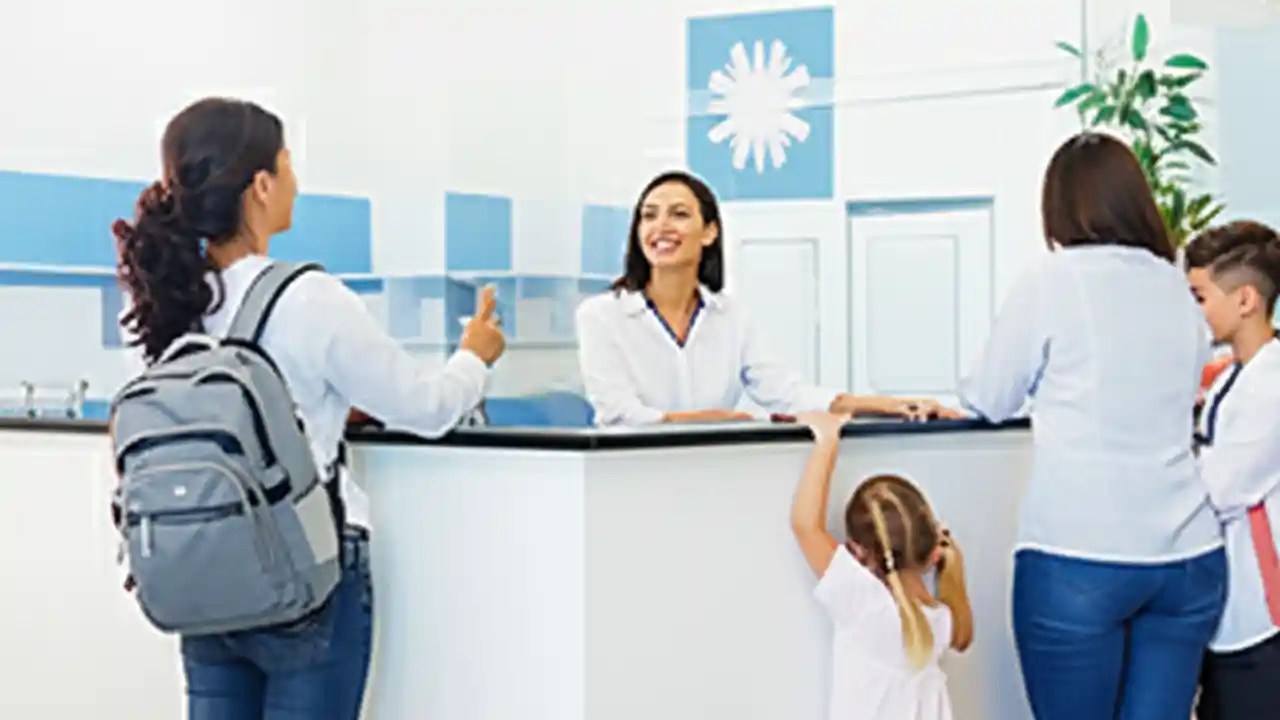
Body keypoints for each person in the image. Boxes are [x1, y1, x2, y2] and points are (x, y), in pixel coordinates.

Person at [111, 97, 505, 719]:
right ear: (262, 186)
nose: (296, 182)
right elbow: (426, 408)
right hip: (305, 575)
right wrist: (474, 358)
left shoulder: (160, 306)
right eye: (289, 166)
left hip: (202, 571)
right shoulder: (308, 297)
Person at [957, 131, 1225, 719]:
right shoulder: (1180, 290)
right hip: (1187, 557)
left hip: (1080, 554)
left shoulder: (1053, 280)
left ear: (1059, 207)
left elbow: (990, 396)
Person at [576, 170, 957, 426]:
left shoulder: (732, 317)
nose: (661, 227)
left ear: (709, 232)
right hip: (625, 484)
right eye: (649, 215)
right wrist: (719, 421)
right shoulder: (601, 316)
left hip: (709, 479)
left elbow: (787, 394)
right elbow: (620, 414)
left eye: (678, 214)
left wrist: (888, 406)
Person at [789, 411, 973, 720]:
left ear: (857, 552)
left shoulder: (863, 604)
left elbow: (805, 525)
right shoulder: (941, 621)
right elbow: (963, 637)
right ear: (932, 551)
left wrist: (827, 441)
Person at [1184, 221, 1280, 719]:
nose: (1193, 311)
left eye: (1199, 296)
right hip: (1230, 618)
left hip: (1263, 619)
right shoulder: (1230, 377)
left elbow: (1219, 488)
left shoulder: (1271, 387)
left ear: (1245, 300)